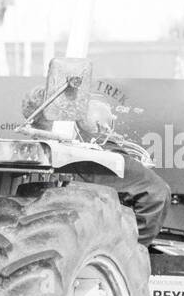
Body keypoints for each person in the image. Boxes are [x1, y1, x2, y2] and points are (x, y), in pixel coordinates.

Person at [20, 86, 170, 244]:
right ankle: (131, 253)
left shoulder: (35, 151)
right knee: (156, 190)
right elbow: (156, 193)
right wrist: (130, 252)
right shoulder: (91, 151)